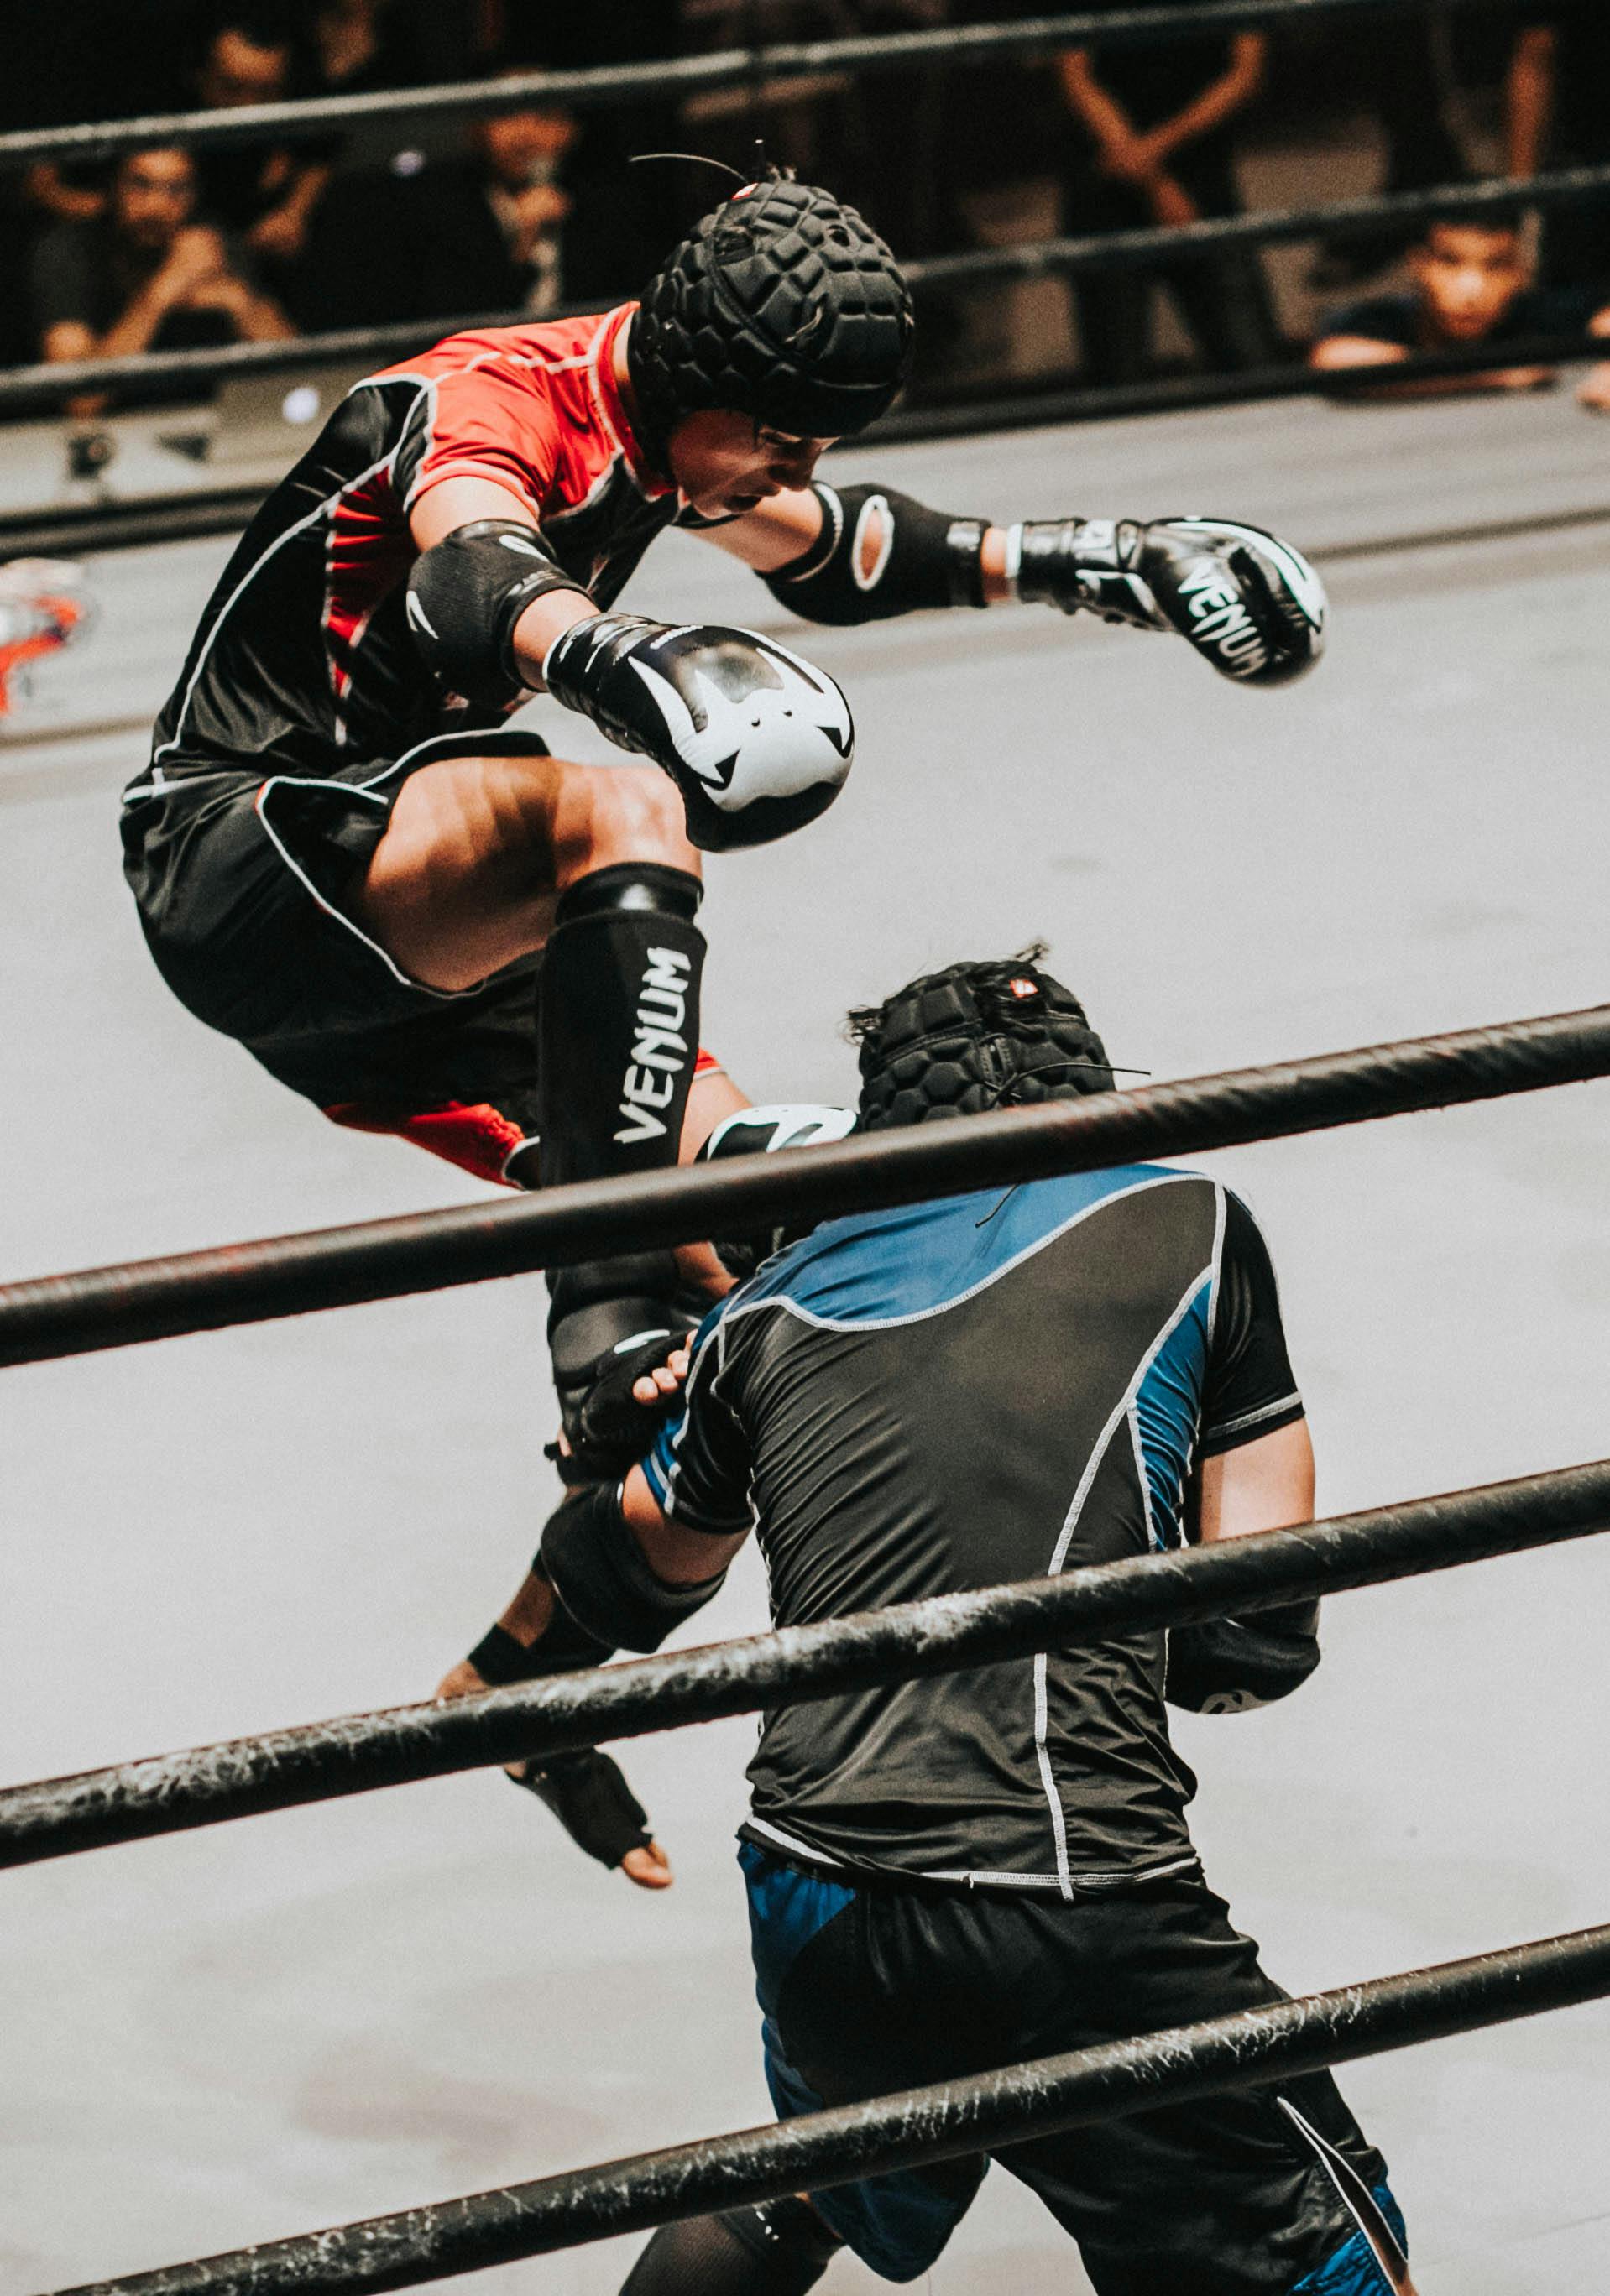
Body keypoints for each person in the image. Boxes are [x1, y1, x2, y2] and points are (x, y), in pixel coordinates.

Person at [121, 169, 1325, 1509]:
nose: (797, 472)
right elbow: (471, 566)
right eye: (783, 442)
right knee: (623, 810)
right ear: (700, 387)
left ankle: (569, 1608)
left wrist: (1095, 558)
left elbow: (838, 549)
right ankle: (599, 1305)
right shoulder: (493, 397)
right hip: (241, 851)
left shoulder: (671, 435)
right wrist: (614, 658)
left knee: (766, 1228)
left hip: (412, 965)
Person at [447, 952, 1414, 2294]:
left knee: (812, 2184)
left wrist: (534, 1597)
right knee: (1328, 2250)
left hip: (814, 1887)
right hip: (1066, 1888)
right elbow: (1250, 1648)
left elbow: (631, 1566)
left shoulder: (756, 1312)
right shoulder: (1186, 1221)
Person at [1056, 3, 1281, 384]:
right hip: (1110, 188)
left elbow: (1245, 75)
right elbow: (1076, 77)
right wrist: (1156, 181)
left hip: (1198, 180)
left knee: (1255, 365)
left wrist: (1152, 151)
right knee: (1119, 379)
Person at [30, 144, 294, 411]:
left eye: (177, 189)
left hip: (204, 418)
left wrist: (241, 304)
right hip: (110, 428)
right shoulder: (70, 251)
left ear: (194, 196)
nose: (156, 206)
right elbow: (80, 401)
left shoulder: (209, 246)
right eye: (140, 184)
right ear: (113, 187)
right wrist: (160, 294)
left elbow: (301, 377)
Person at [1309, 206, 1608, 400]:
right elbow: (1335, 359)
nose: (1472, 290)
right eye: (1450, 262)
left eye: (1496, 265)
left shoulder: (1538, 312)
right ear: (1419, 264)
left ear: (1519, 272)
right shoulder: (1383, 318)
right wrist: (1493, 376)